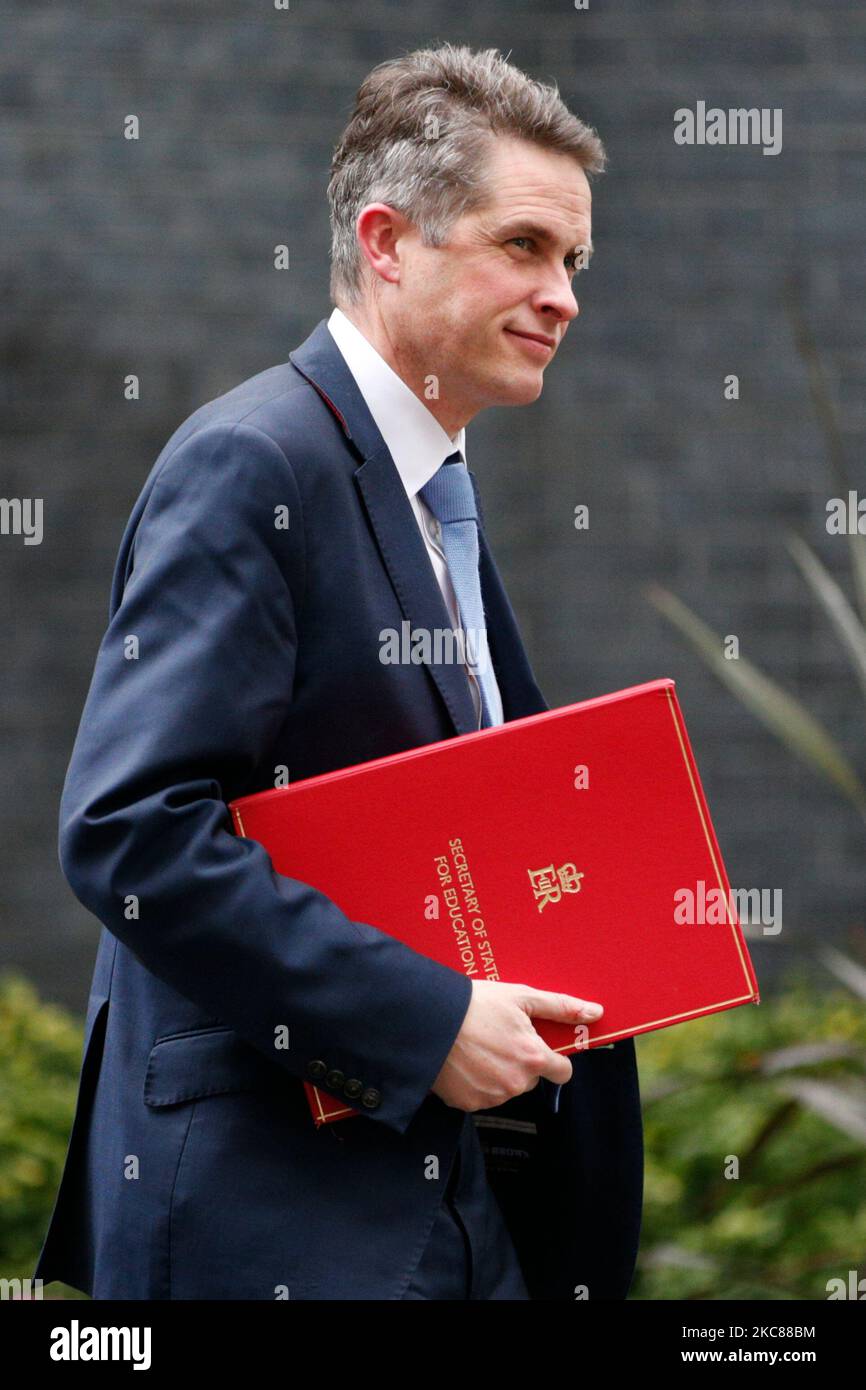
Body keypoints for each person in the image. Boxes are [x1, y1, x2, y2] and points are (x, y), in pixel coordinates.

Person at [35, 42, 643, 1301]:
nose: (563, 294)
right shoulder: (256, 465)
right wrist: (420, 1023)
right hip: (274, 1223)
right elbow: (131, 834)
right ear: (385, 240)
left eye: (571, 260)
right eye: (522, 246)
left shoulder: (436, 496)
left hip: (443, 1203)